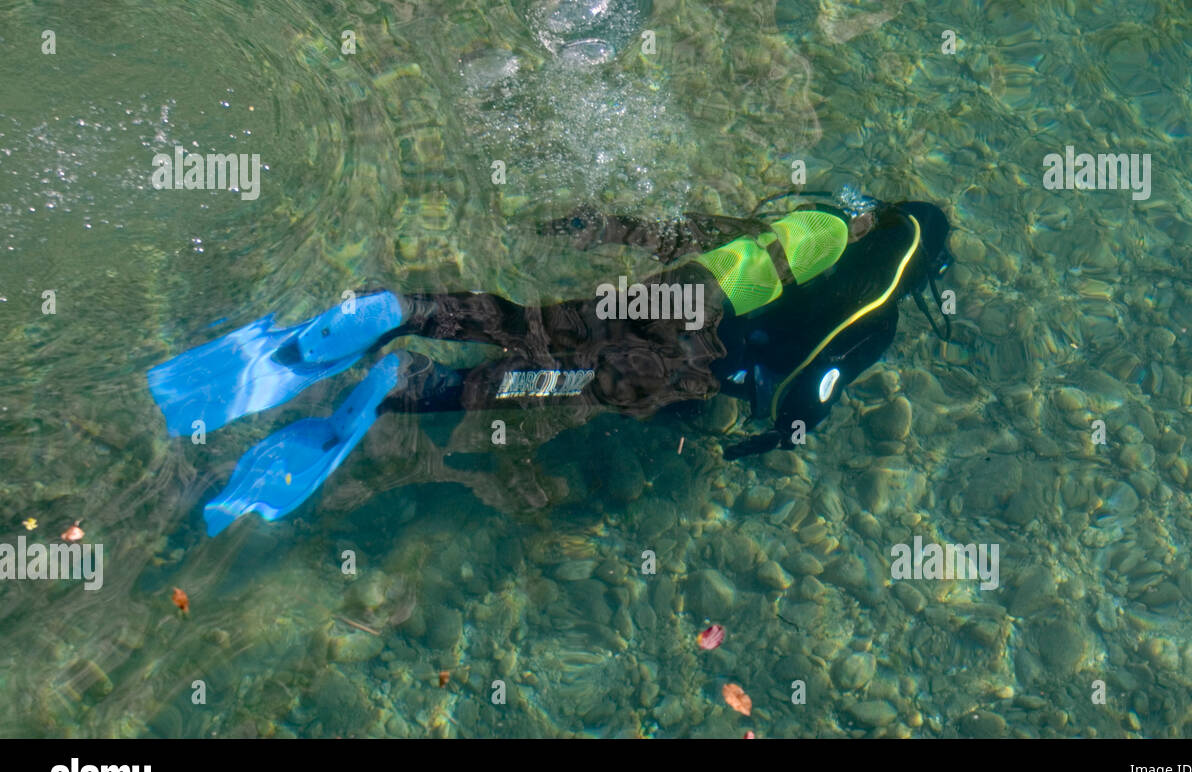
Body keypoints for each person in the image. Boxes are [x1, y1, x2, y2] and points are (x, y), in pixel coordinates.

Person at [148, 191, 953, 535]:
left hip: (677, 297)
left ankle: (407, 310)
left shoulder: (814, 231)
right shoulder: (875, 323)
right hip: (695, 363)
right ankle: (411, 383)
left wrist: (600, 225)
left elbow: (686, 232)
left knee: (530, 323)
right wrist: (769, 439)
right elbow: (813, 394)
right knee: (550, 379)